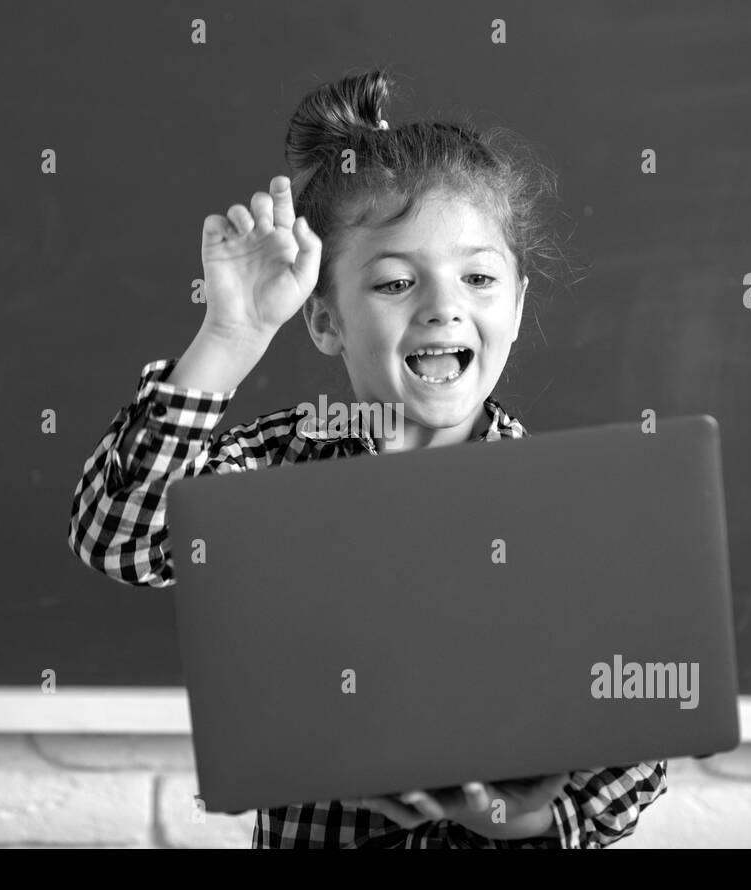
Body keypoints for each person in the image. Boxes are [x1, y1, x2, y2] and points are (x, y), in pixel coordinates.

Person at [68, 68, 667, 847]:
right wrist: (230, 336)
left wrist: (509, 814)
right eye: (393, 282)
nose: (443, 305)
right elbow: (119, 536)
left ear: (516, 308)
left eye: (479, 277)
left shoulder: (570, 511)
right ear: (324, 321)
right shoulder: (283, 465)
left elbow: (632, 755)